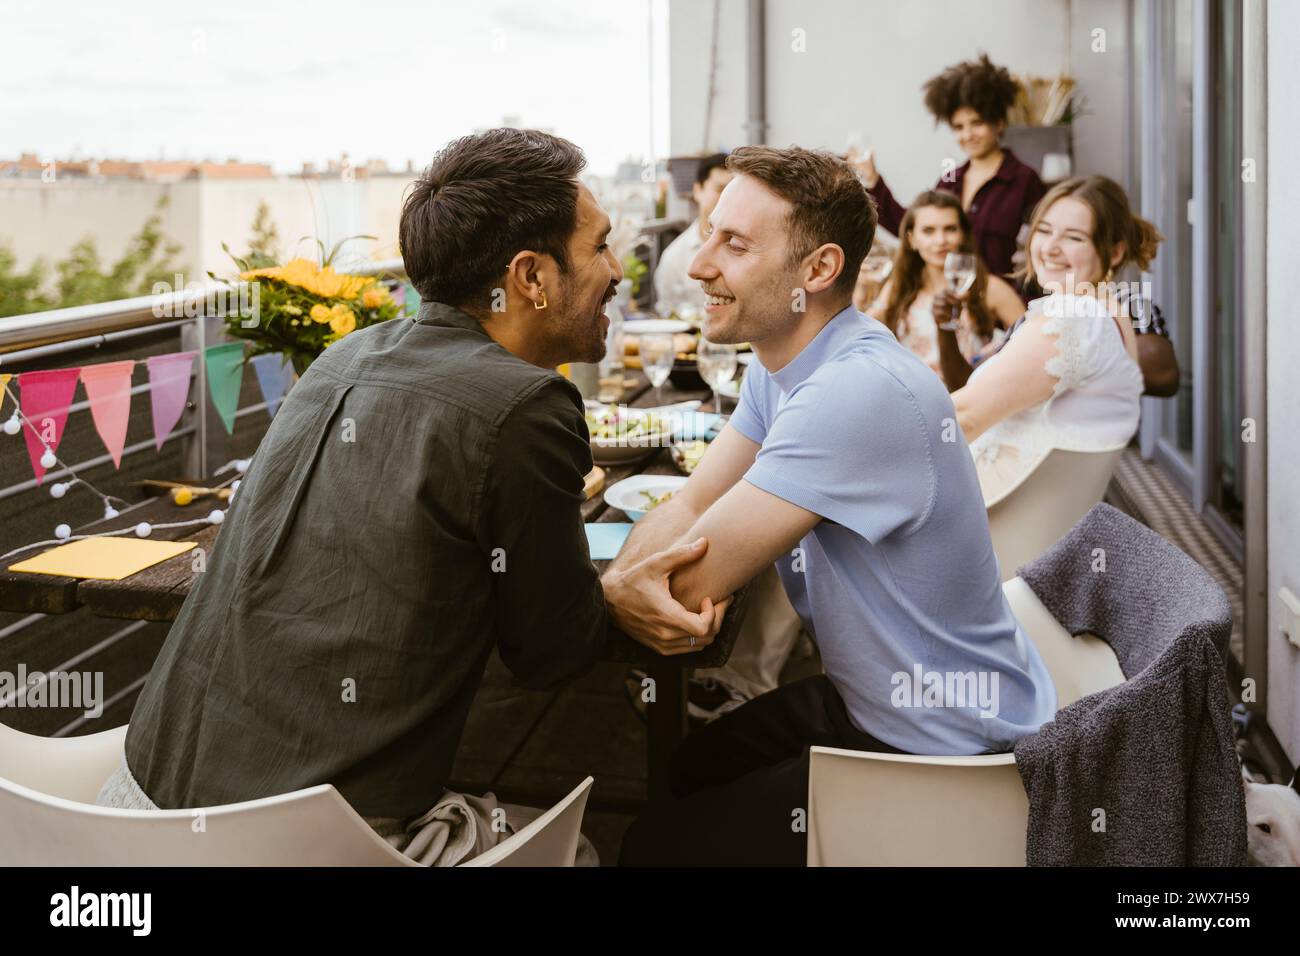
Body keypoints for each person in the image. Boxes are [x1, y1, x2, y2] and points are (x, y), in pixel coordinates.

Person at [97, 129, 722, 866]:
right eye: (600, 247)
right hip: (295, 848)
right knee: (578, 850)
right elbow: (550, 655)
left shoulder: (342, 356)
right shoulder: (526, 406)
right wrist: (609, 594)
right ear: (531, 276)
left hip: (129, 812)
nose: (619, 269)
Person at [604, 145, 1058, 867]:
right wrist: (622, 589)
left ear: (816, 271)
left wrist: (620, 588)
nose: (698, 264)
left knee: (650, 847)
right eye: (711, 233)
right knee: (686, 770)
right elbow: (693, 499)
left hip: (942, 744)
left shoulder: (856, 393)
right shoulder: (785, 357)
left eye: (735, 243)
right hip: (873, 694)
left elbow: (685, 587)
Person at [948, 175, 1161, 504]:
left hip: (989, 519)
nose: (1049, 248)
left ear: (1115, 251)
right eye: (1044, 230)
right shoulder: (1106, 312)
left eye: (1074, 237)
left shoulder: (1069, 320)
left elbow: (964, 418)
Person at [853, 54, 1044, 281]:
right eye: (959, 127)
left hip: (1003, 305)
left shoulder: (1025, 181)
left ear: (998, 123)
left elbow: (1038, 254)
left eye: (977, 123)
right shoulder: (950, 179)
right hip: (948, 300)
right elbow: (911, 228)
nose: (968, 134)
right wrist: (874, 181)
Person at [867, 190, 1023, 389]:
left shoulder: (989, 287)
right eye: (928, 231)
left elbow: (1028, 344)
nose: (940, 240)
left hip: (969, 397)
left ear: (963, 235)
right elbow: (865, 333)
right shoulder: (899, 287)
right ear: (912, 239)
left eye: (950, 229)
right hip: (910, 397)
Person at [653, 152, 733, 313]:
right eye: (720, 189)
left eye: (732, 191)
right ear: (698, 190)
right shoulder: (674, 258)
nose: (727, 198)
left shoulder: (752, 252)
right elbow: (668, 314)